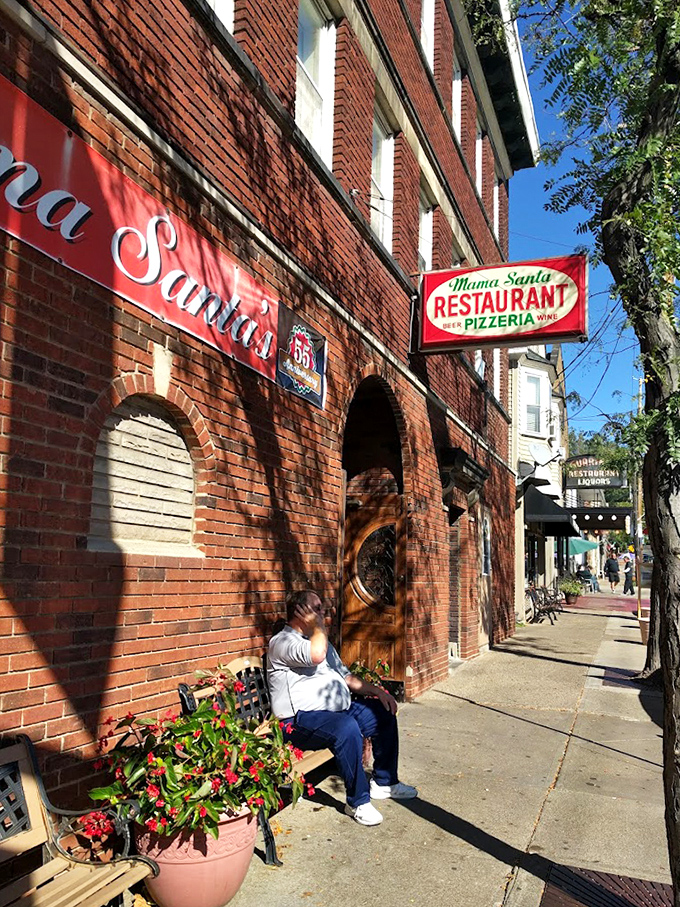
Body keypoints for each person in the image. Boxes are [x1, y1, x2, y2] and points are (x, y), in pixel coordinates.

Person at [267, 590, 418, 827]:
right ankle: (357, 802)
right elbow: (316, 656)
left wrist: (378, 692)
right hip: (298, 722)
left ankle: (384, 783)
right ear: (299, 613)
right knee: (346, 728)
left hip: (334, 715)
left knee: (381, 712)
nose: (322, 614)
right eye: (316, 609)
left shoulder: (318, 640)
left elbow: (346, 676)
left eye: (321, 610)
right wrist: (318, 626)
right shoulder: (283, 642)